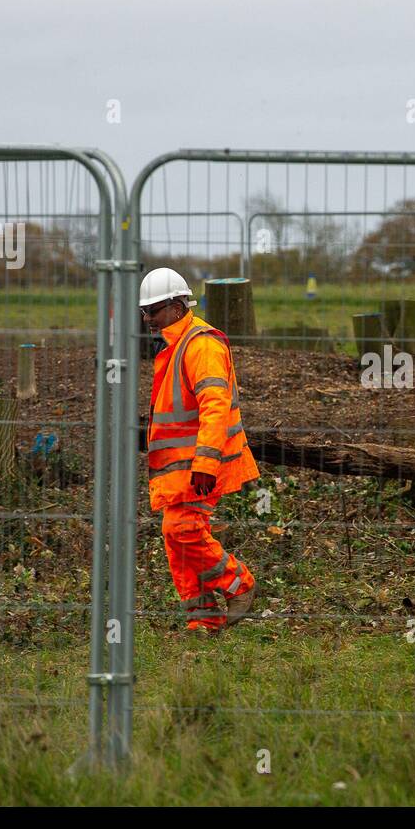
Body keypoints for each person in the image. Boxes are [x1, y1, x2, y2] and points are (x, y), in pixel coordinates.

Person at [139, 267, 259, 632]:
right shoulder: (177, 344)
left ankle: (239, 585)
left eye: (154, 310)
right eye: (144, 311)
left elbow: (214, 406)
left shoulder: (200, 344)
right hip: (184, 466)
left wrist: (206, 462)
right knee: (175, 537)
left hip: (204, 464)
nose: (147, 318)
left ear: (177, 306)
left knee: (183, 529)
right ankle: (204, 620)